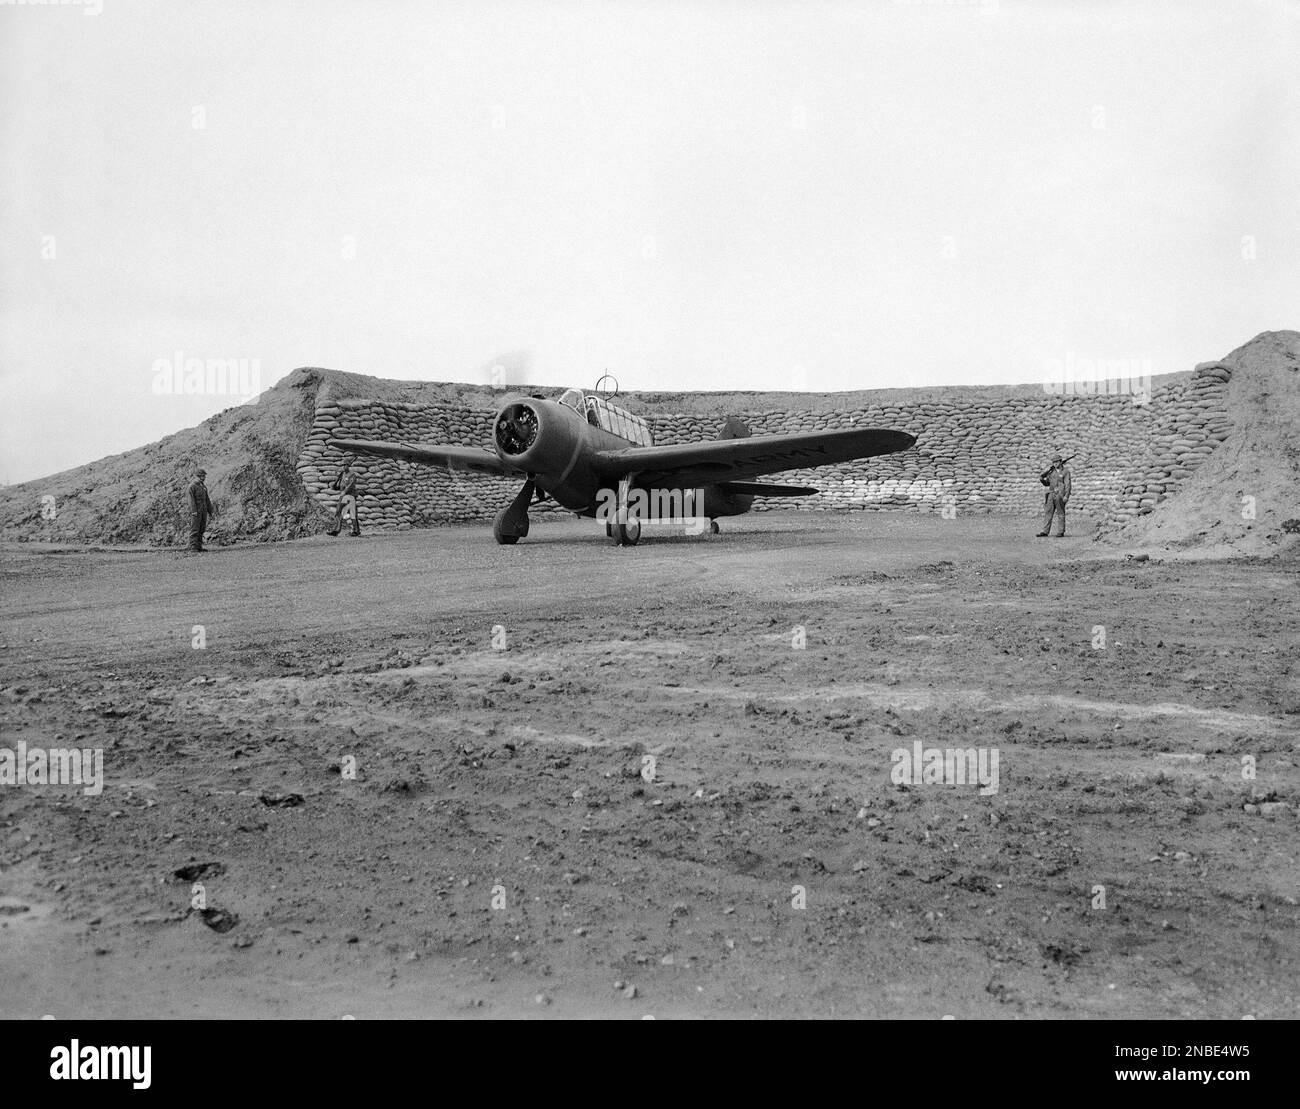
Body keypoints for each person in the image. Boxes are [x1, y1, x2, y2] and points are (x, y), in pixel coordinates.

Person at [1037, 455, 1072, 538]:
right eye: (1054, 462)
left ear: (1060, 462)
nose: (1055, 464)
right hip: (1051, 494)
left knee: (1060, 513)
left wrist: (1066, 496)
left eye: (1057, 462)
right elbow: (1047, 483)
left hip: (1060, 495)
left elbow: (1068, 484)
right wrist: (1042, 480)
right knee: (1048, 512)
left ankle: (1060, 531)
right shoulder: (1051, 472)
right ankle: (1045, 531)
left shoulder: (1065, 472)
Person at [328, 456, 361, 537]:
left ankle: (356, 531)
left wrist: (345, 491)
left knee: (352, 513)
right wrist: (335, 486)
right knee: (338, 512)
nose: (343, 467)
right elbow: (341, 485)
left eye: (345, 465)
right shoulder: (342, 474)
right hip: (343, 496)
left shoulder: (352, 474)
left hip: (350, 495)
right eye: (342, 465)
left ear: (348, 465)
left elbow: (351, 484)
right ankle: (336, 530)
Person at [188, 468, 215, 551]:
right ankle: (193, 547)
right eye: (202, 476)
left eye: (204, 476)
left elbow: (207, 500)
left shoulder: (203, 486)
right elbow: (191, 500)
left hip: (203, 511)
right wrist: (194, 511)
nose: (204, 478)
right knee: (195, 529)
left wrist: (210, 511)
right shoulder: (192, 486)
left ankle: (199, 546)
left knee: (202, 528)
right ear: (197, 476)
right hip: (196, 512)